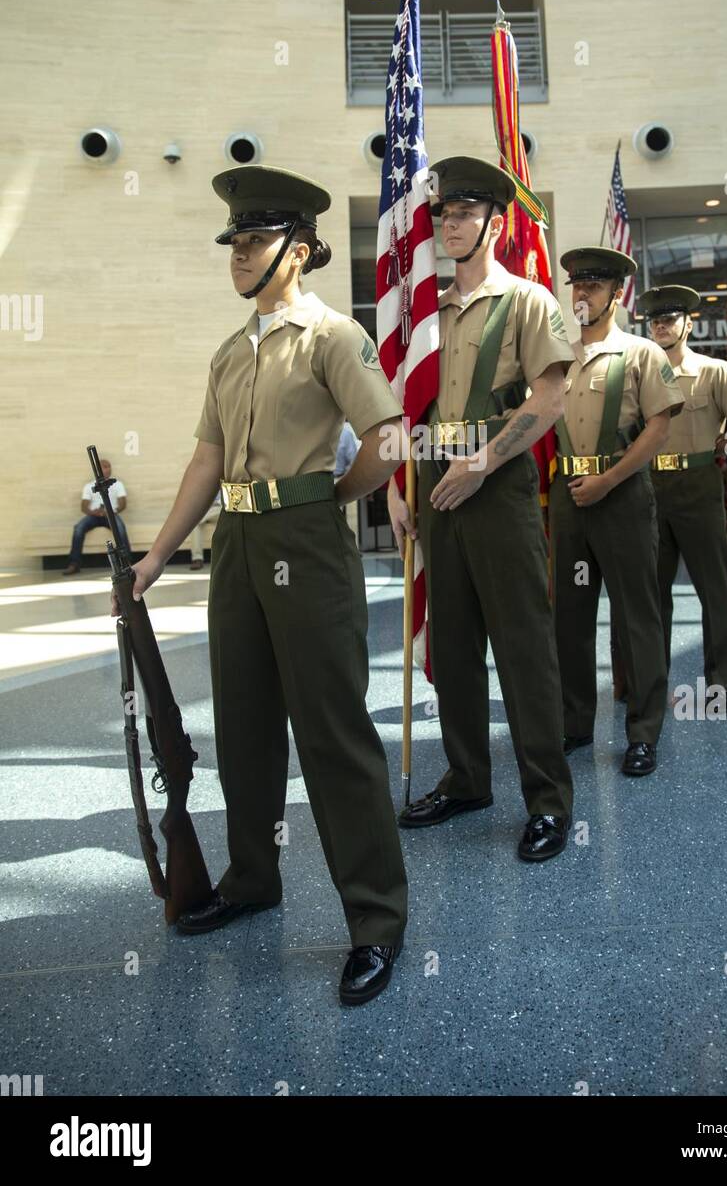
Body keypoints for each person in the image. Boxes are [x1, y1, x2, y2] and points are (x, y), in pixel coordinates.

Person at [111, 165, 409, 1006]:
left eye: (253, 240)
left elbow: (388, 436)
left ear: (300, 250)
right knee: (243, 722)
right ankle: (252, 878)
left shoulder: (331, 337)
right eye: (233, 242)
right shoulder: (228, 353)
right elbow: (207, 458)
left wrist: (327, 504)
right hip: (237, 542)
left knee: (332, 729)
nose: (238, 254)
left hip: (306, 538)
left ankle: (377, 921)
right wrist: (159, 555)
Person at [388, 155, 575, 862]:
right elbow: (408, 405)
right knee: (454, 645)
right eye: (441, 214)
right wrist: (396, 486)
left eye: (463, 213)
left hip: (494, 486)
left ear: (496, 223)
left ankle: (549, 800)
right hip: (436, 481)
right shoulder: (425, 313)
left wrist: (484, 461)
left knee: (523, 647)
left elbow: (549, 398)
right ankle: (468, 778)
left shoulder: (527, 300)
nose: (448, 225)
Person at [550, 248, 684, 777]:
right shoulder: (557, 355)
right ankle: (576, 721)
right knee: (570, 617)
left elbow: (658, 428)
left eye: (594, 286)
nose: (581, 294)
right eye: (576, 286)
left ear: (617, 294)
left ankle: (643, 731)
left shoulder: (641, 353)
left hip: (622, 493)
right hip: (569, 493)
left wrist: (608, 479)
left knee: (637, 618)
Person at [643, 286, 727, 686]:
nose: (661, 325)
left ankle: (721, 683)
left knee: (714, 590)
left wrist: (719, 449)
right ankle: (651, 683)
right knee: (650, 595)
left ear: (688, 324)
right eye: (655, 320)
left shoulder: (715, 371)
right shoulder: (638, 373)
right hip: (648, 486)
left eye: (669, 318)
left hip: (697, 484)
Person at [63, 457, 131, 574]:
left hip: (111, 514)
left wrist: (112, 511)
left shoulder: (118, 484)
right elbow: (84, 507)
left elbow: (123, 504)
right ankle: (74, 563)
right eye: (104, 467)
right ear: (97, 469)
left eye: (109, 466)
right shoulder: (89, 486)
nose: (108, 469)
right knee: (78, 528)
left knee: (120, 528)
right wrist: (94, 512)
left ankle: (127, 563)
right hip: (94, 516)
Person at [187, 490, 221, 570]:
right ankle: (197, 558)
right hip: (206, 508)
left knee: (195, 520)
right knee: (195, 524)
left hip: (222, 508)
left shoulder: (227, 478)